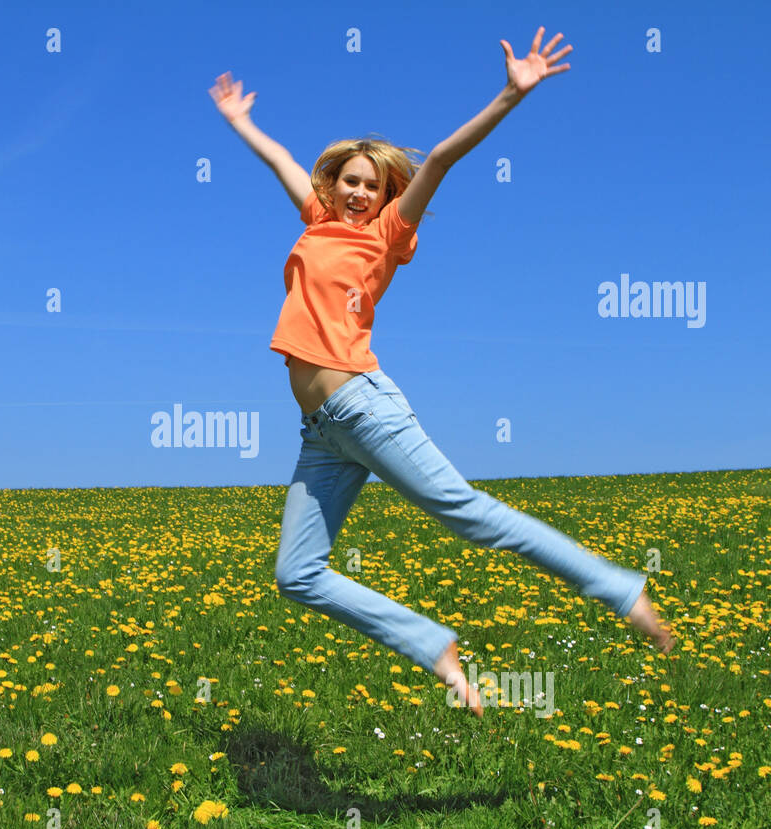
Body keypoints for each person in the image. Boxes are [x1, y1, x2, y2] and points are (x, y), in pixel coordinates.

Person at [209, 27, 676, 717]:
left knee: (470, 515)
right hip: (321, 433)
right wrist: (243, 122)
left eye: (372, 185)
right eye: (351, 182)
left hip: (363, 406)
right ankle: (431, 645)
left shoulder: (387, 235)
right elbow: (282, 161)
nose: (362, 192)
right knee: (296, 574)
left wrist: (510, 97)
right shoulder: (316, 222)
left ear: (384, 193)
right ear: (331, 186)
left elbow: (446, 159)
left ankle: (619, 589)